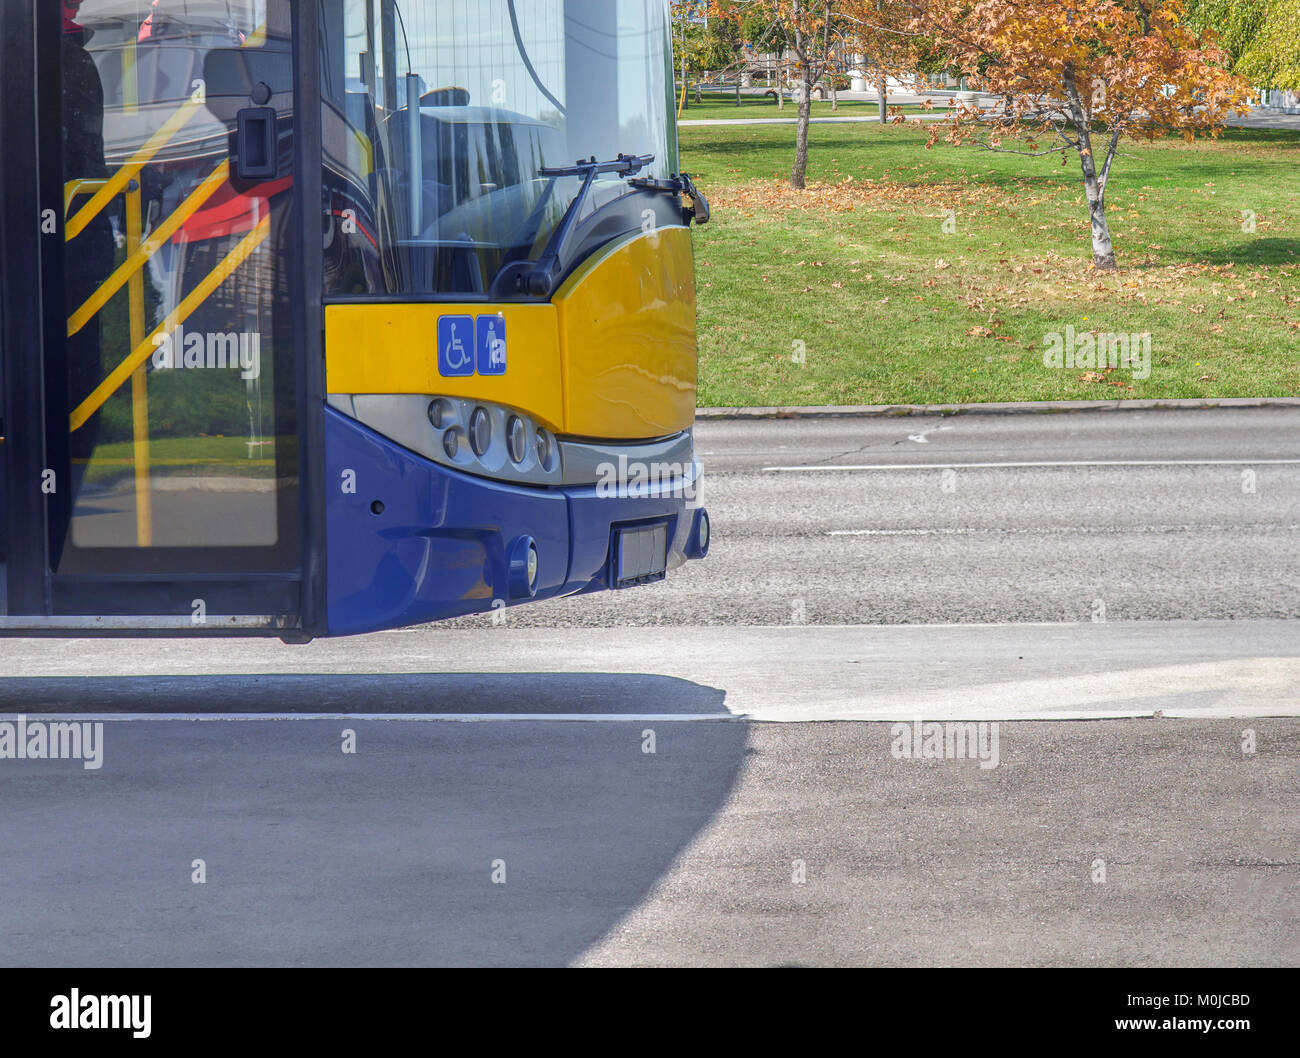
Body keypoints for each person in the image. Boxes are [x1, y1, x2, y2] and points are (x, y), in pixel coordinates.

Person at [61, 0, 115, 481]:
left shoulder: (64, 62)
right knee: (78, 355)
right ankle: (75, 457)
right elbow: (86, 155)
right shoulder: (72, 62)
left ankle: (72, 461)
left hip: (71, 240)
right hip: (77, 239)